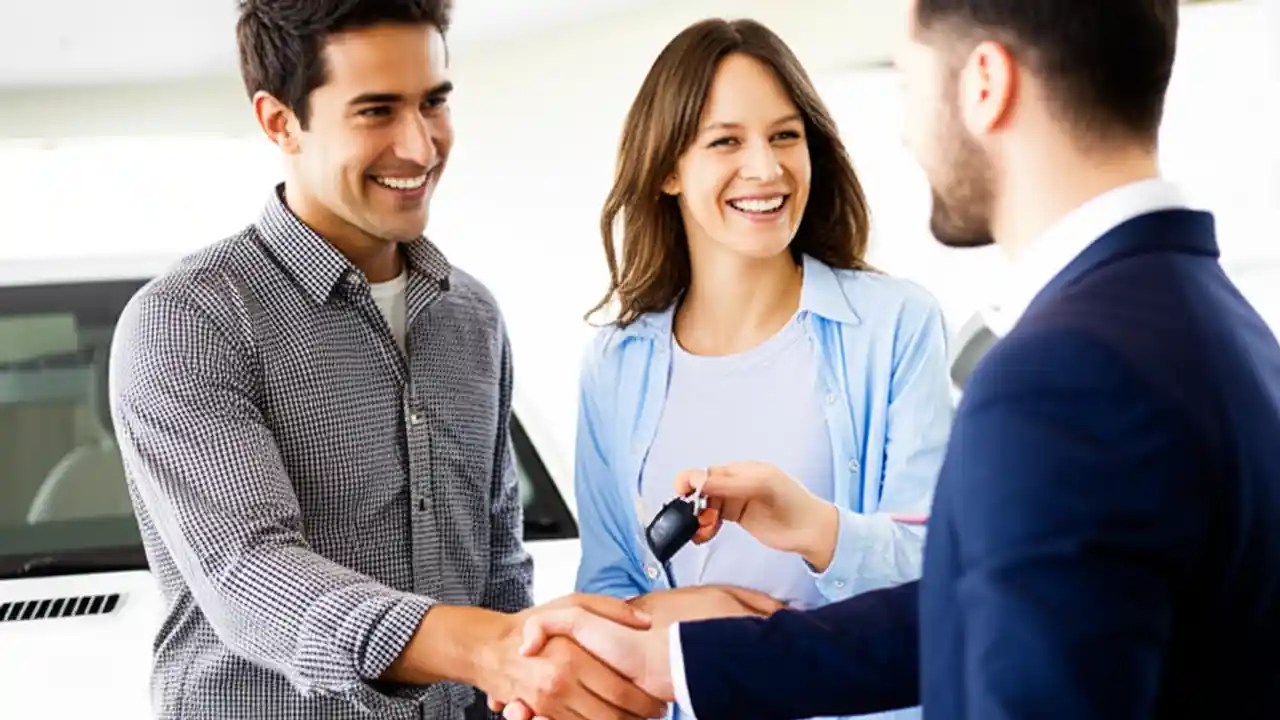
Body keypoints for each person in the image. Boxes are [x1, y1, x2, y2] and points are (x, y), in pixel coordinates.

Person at [514, 1, 1280, 718]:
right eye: (726, 140)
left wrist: (808, 547)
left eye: (909, 81)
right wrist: (686, 652)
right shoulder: (1224, 328)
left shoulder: (1061, 372)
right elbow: (961, 609)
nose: (909, 131)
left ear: (984, 84)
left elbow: (988, 642)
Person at [107, 2, 667, 719]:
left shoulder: (471, 317)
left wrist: (528, 672)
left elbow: (497, 566)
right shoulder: (191, 321)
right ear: (280, 121)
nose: (421, 145)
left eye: (433, 103)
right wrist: (489, 648)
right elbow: (251, 573)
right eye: (376, 111)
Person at [565, 15, 952, 720]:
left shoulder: (896, 326)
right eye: (726, 142)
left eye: (785, 136)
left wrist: (815, 527)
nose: (767, 169)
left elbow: (944, 574)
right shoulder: (614, 366)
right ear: (667, 173)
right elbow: (610, 587)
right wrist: (689, 611)